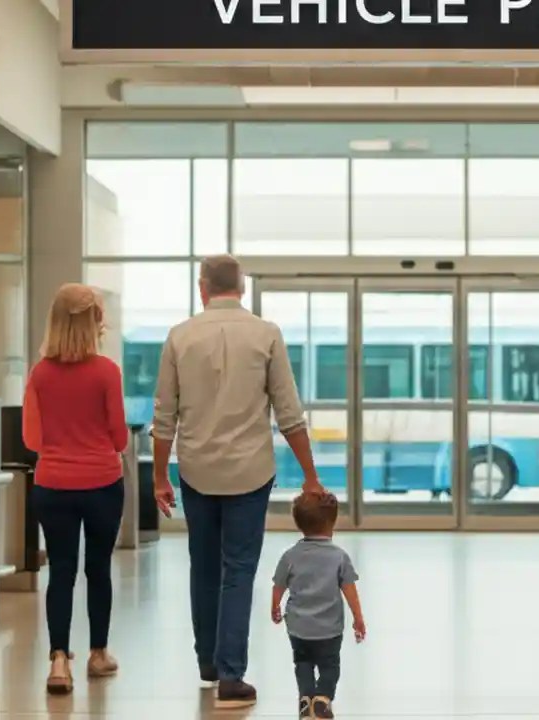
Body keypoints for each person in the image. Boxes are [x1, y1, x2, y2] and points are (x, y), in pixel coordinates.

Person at [151, 254, 322, 708]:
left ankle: (208, 663)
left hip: (196, 469)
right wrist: (309, 475)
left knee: (202, 565)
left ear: (202, 287)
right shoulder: (266, 335)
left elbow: (163, 416)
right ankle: (231, 675)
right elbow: (289, 412)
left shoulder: (179, 337)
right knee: (239, 569)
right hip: (250, 471)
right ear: (242, 287)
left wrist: (158, 478)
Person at [22, 283, 128, 695]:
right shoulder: (107, 372)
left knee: (61, 570)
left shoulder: (40, 374)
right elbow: (119, 438)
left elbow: (31, 439)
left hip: (53, 485)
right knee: (98, 569)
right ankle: (98, 654)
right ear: (94, 323)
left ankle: (59, 661)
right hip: (102, 482)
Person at [271, 493, 366, 720]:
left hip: (298, 627)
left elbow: (279, 584)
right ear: (332, 522)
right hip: (329, 628)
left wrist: (275, 606)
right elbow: (349, 590)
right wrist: (358, 617)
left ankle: (306, 698)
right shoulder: (339, 557)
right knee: (329, 665)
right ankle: (323, 698)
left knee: (302, 663)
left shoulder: (290, 556)